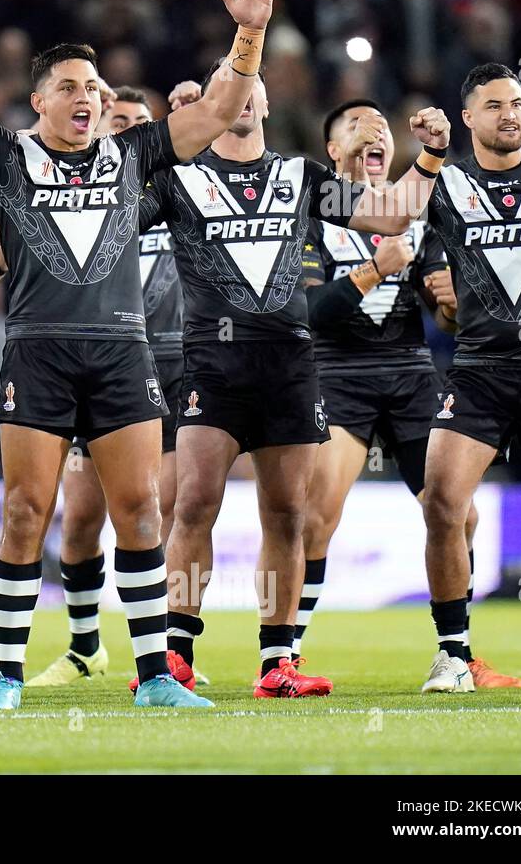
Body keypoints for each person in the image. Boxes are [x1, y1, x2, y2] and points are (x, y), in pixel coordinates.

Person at [0, 0, 276, 712]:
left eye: (93, 87)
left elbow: (212, 112)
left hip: (120, 351)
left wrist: (249, 38)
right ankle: (7, 674)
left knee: (140, 509)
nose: (85, 96)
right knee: (23, 512)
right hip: (38, 350)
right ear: (37, 99)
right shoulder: (5, 155)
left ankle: (157, 677)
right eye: (68, 86)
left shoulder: (132, 153)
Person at [150, 61, 449, 699]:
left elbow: (392, 218)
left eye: (256, 90)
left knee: (286, 516)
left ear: (264, 105)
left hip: (291, 367)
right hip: (213, 365)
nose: (247, 98)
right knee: (195, 505)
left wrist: (431, 158)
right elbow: (113, 210)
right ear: (216, 103)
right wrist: (169, 132)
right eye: (234, 89)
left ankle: (276, 663)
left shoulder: (302, 177)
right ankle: (173, 654)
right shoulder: (180, 180)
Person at [294, 99, 521, 689]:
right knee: (316, 516)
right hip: (337, 374)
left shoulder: (419, 214)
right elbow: (312, 314)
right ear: (332, 152)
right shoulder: (313, 210)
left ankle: (456, 655)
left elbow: (444, 318)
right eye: (355, 126)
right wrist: (374, 270)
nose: (373, 132)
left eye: (379, 127)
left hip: (412, 374)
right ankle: (284, 657)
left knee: (458, 513)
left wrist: (451, 304)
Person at [417, 63, 521, 699]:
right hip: (480, 368)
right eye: (494, 105)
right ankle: (453, 655)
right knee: (440, 501)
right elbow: (441, 298)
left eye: (517, 102)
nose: (510, 114)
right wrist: (442, 297)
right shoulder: (445, 187)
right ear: (469, 119)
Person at [28, 86, 193, 686]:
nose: (123, 132)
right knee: (78, 520)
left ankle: (168, 653)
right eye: (114, 122)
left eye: (136, 125)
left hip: (174, 366)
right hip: (94, 362)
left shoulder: (179, 190)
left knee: (157, 507)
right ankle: (84, 646)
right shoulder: (88, 200)